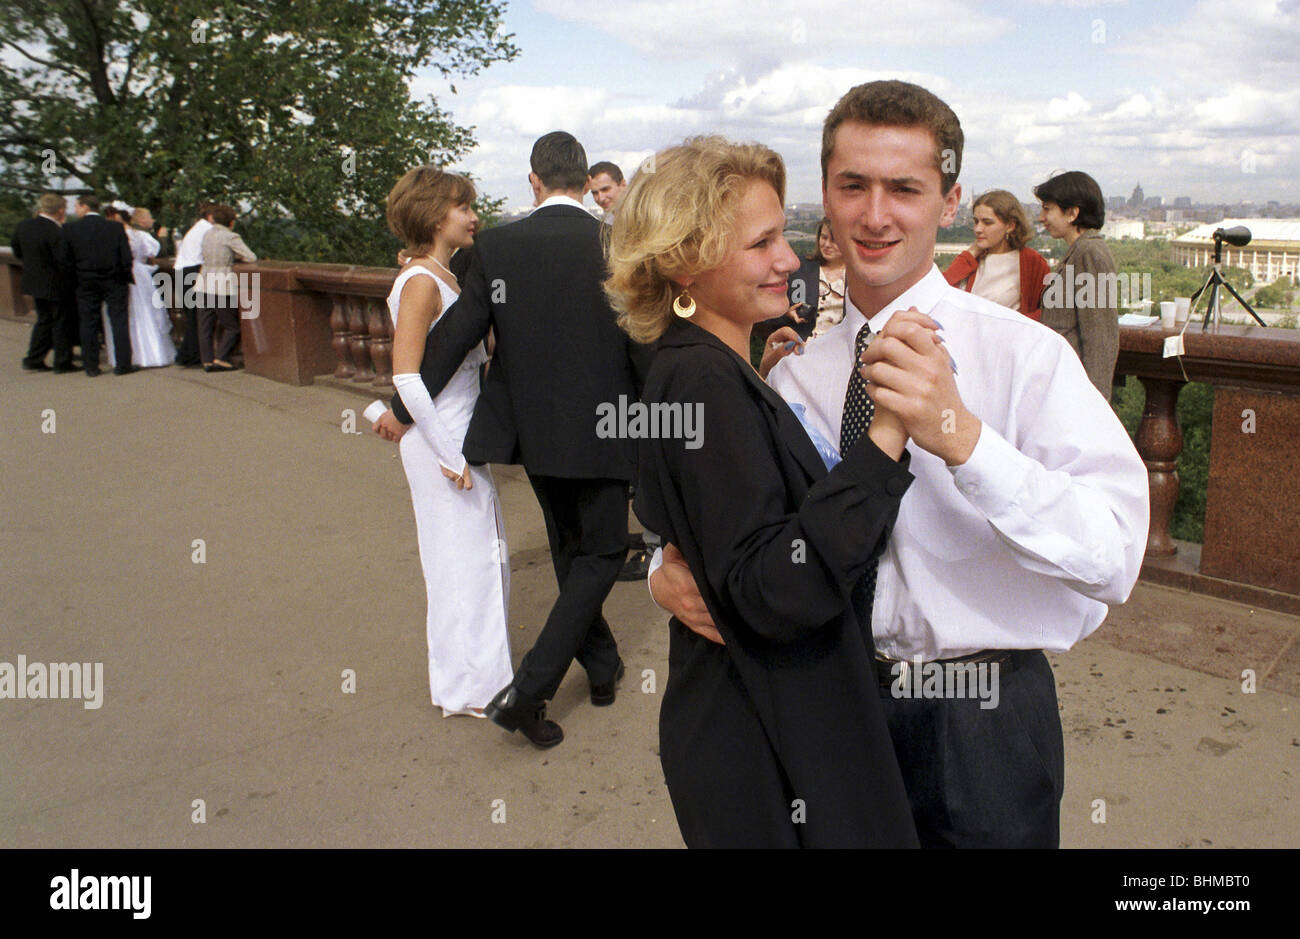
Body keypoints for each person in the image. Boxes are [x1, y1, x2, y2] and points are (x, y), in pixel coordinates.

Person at [651, 81, 1149, 848]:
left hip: (979, 718)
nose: (875, 215)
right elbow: (735, 508)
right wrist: (666, 568)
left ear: (949, 200)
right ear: (825, 193)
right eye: (854, 185)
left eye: (905, 188)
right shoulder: (794, 373)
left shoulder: (1026, 357)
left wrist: (962, 438)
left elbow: (1113, 557)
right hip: (831, 709)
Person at [608, 136, 920, 848]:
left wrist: (665, 568)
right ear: (686, 259)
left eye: (782, 234)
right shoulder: (703, 381)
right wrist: (889, 434)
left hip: (749, 721)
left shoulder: (706, 368)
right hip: (763, 742)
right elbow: (776, 587)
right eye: (762, 242)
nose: (790, 258)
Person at [379, 131, 650, 748]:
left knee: (569, 553)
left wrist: (401, 407)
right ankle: (529, 692)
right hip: (610, 428)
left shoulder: (498, 246)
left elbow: (453, 338)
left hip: (534, 437)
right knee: (603, 555)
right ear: (585, 181)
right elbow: (645, 340)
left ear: (534, 181)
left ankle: (603, 669)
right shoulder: (619, 242)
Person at [374, 166, 513, 717]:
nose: (474, 216)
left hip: (458, 433)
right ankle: (472, 689)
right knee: (462, 564)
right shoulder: (422, 282)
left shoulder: (443, 275)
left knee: (478, 561)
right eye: (464, 207)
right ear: (436, 215)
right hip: (443, 440)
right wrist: (448, 455)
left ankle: (476, 680)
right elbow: (407, 377)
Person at [1035, 171, 1119, 399]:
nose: (1042, 217)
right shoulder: (1080, 251)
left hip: (1075, 389)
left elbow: (1100, 335)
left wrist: (1095, 403)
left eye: (1047, 209)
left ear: (1072, 213)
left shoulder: (1089, 253)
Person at [943, 189, 1049, 319]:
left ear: (1010, 226)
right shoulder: (972, 260)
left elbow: (1047, 312)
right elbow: (941, 291)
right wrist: (970, 253)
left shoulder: (1032, 262)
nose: (978, 229)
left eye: (987, 223)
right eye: (976, 222)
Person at [63, 194, 134, 377]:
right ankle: (123, 363)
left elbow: (66, 259)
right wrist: (124, 274)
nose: (76, 210)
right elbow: (126, 256)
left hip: (85, 280)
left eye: (77, 206)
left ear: (85, 207)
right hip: (114, 279)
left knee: (88, 322)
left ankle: (91, 365)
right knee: (119, 321)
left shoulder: (70, 229)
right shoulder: (115, 227)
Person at [12, 193, 76, 372]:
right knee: (61, 322)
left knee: (44, 320)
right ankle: (62, 361)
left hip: (33, 280)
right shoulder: (57, 231)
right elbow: (64, 260)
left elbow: (17, 249)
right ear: (60, 210)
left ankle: (34, 358)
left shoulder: (24, 226)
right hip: (57, 282)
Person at [198, 204, 256, 372]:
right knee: (232, 326)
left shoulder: (207, 234)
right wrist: (234, 256)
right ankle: (222, 358)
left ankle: (207, 360)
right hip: (221, 283)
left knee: (205, 325)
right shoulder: (230, 237)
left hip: (203, 280)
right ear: (231, 222)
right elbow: (251, 256)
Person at [120, 206, 176, 368]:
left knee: (133, 312)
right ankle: (152, 350)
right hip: (140, 273)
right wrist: (163, 238)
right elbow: (156, 252)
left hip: (130, 273)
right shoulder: (141, 236)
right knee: (146, 310)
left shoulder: (126, 234)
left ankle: (133, 352)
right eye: (149, 217)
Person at [174, 202, 216, 367]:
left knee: (192, 316)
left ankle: (188, 354)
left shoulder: (196, 229)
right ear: (211, 216)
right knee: (197, 316)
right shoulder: (207, 230)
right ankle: (188, 355)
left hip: (182, 272)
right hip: (192, 272)